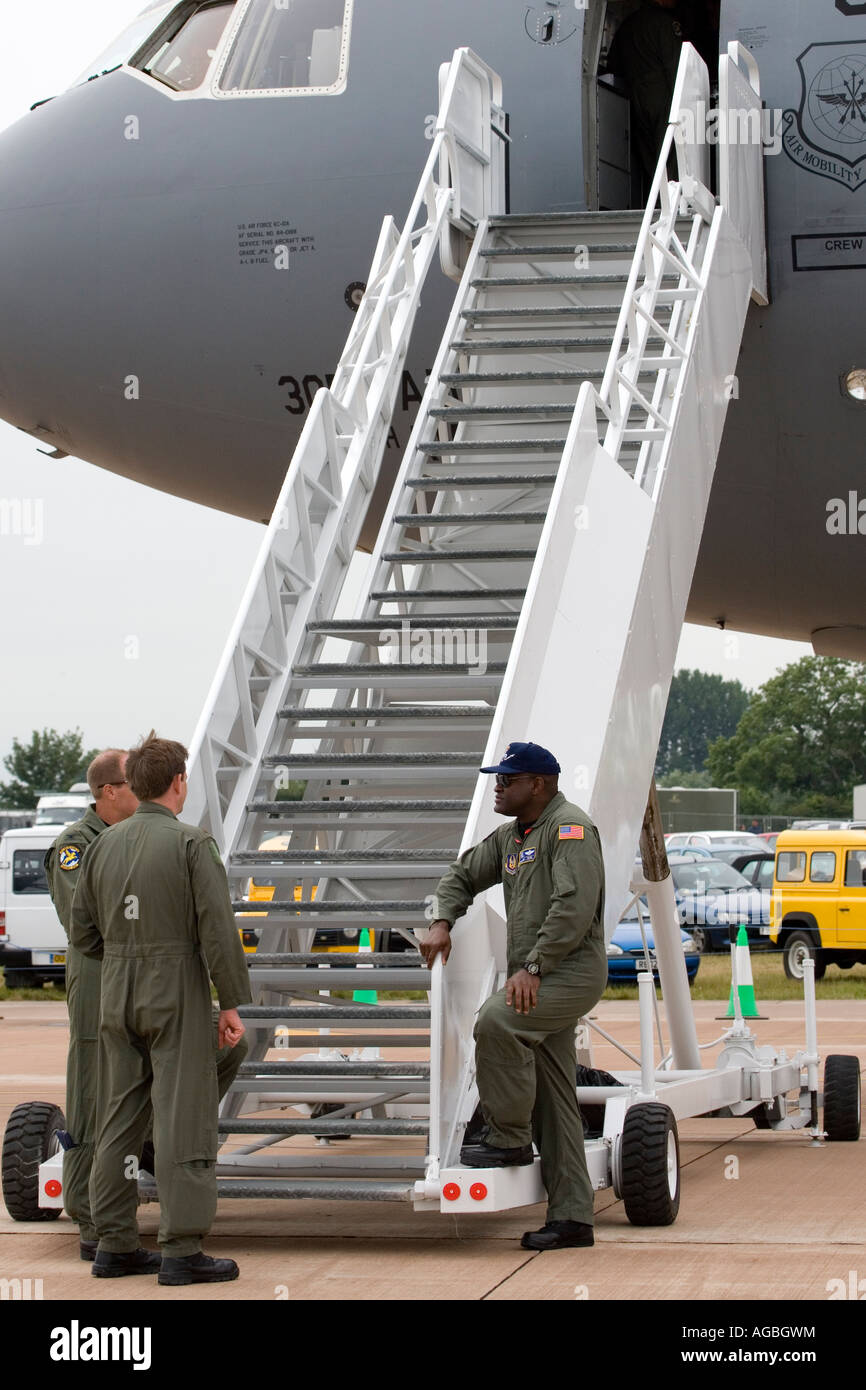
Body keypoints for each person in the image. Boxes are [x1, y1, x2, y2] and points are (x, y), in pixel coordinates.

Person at [70, 733, 252, 1285]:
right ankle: (181, 1248)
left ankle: (115, 1245)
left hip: (116, 990)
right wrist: (230, 1002)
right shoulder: (190, 844)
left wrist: (127, 956)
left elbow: (82, 931)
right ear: (178, 782)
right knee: (182, 1117)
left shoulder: (103, 844)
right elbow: (218, 932)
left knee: (118, 1119)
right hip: (173, 990)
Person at [421, 742, 607, 1252]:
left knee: (496, 1022)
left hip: (567, 972)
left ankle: (506, 1138)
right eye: (497, 779)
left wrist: (531, 967)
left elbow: (573, 907)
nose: (497, 788)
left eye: (508, 780)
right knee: (555, 1098)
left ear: (539, 785)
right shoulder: (511, 837)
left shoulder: (571, 830)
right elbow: (461, 875)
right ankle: (572, 1219)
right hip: (538, 975)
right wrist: (442, 922)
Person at [44, 750, 138, 1261]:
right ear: (108, 791)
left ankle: (119, 1198)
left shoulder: (131, 838)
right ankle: (88, 1217)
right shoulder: (74, 846)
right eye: (131, 782)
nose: (141, 790)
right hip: (98, 990)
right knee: (90, 1097)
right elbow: (86, 919)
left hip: (136, 988)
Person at [606, 0, 684, 192]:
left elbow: (612, 67)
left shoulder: (627, 26)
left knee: (650, 159)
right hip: (662, 96)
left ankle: (658, 201)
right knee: (669, 155)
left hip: (635, 100)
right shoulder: (665, 23)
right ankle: (671, 203)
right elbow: (676, 67)